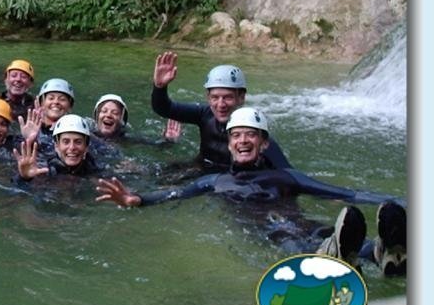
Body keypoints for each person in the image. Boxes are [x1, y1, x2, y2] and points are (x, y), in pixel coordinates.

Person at [96, 107, 406, 276]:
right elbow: (174, 195)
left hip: (302, 224)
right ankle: (338, 258)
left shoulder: (286, 176)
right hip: (269, 233)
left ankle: (383, 252)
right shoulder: (214, 182)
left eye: (251, 136)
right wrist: (135, 200)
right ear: (229, 143)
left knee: (326, 231)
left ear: (264, 144)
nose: (243, 141)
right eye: (237, 135)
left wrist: (396, 201)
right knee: (292, 241)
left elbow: (345, 194)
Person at [150, 51, 291, 170]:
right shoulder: (204, 114)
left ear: (241, 98)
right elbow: (164, 108)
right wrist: (159, 87)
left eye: (228, 97)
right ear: (208, 97)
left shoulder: (253, 132)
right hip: (201, 167)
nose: (220, 104)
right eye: (215, 97)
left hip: (232, 178)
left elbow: (288, 174)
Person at [15, 114, 101, 182]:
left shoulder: (94, 168)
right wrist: (24, 178)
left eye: (78, 142)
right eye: (66, 142)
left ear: (86, 147)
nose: (72, 147)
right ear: (56, 146)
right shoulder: (44, 169)